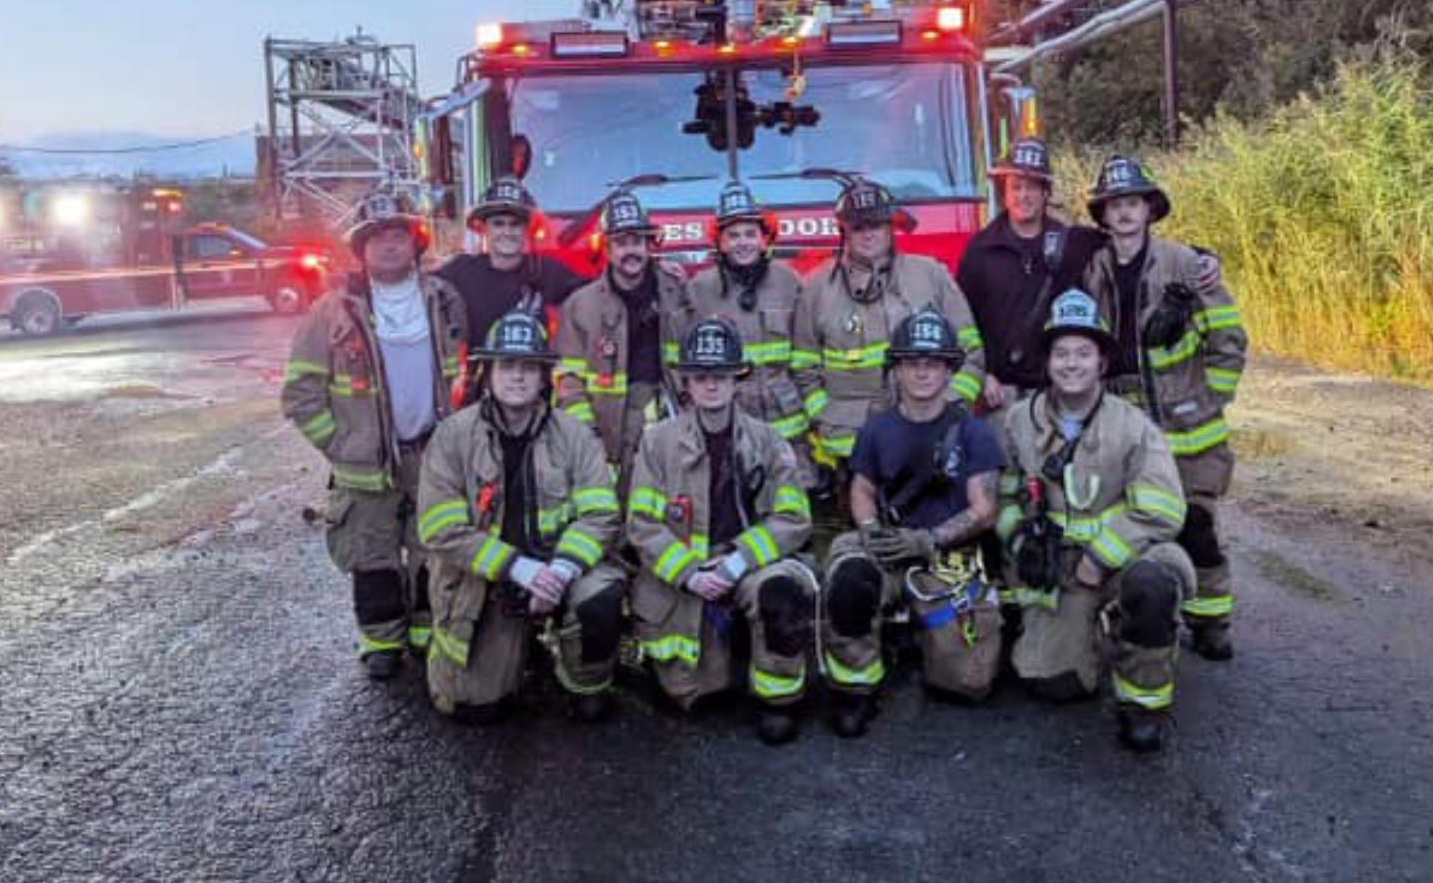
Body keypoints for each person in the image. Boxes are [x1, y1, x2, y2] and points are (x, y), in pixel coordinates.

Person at [281, 189, 468, 679]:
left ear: (415, 243)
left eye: (398, 235)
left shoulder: (443, 300)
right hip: (364, 465)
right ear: (360, 249)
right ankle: (382, 642)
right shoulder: (331, 312)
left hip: (431, 452)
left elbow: (461, 374)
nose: (388, 244)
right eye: (376, 237)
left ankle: (427, 635)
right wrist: (343, 445)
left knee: (433, 549)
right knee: (372, 556)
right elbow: (301, 394)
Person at [997, 289, 1193, 752]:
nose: (1071, 364)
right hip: (1058, 569)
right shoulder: (1017, 421)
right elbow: (1004, 495)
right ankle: (1075, 631)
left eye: (1083, 353)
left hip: (1124, 559)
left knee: (1152, 585)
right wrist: (1021, 541)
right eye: (1061, 353)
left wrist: (1101, 556)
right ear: (1048, 362)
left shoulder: (1133, 425)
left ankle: (1142, 703)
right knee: (1053, 682)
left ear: (1102, 362)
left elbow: (1163, 508)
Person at [414, 311, 628, 722]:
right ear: (488, 373)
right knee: (475, 707)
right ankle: (517, 648)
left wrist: (560, 570)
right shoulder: (452, 436)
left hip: (561, 569)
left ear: (544, 376)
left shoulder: (574, 434)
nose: (517, 376)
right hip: (490, 579)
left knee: (599, 598)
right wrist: (518, 569)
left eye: (529, 367)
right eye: (507, 365)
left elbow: (601, 514)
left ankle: (584, 680)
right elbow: (441, 530)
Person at [1083, 155, 1248, 660]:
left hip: (1189, 424)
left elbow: (1228, 336)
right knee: (1136, 521)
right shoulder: (1093, 270)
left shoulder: (1184, 264)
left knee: (1197, 524)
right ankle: (1142, 613)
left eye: (1133, 202)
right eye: (1115, 204)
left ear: (1150, 209)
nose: (1124, 212)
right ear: (1103, 214)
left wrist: (1210, 398)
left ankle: (1211, 621)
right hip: (1125, 417)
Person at [625, 317, 819, 744]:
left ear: (737, 379)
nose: (711, 385)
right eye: (701, 376)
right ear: (686, 383)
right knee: (695, 694)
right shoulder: (657, 442)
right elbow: (642, 524)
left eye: (721, 375)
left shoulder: (768, 440)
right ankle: (725, 659)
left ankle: (778, 701)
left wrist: (737, 562)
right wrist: (690, 573)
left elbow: (793, 516)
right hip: (687, 571)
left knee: (780, 594)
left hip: (747, 565)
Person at [820, 308, 1006, 737]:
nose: (922, 373)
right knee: (850, 582)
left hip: (946, 558)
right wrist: (871, 531)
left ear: (949, 370)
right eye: (912, 363)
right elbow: (862, 489)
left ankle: (924, 637)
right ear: (897, 369)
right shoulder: (876, 429)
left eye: (933, 363)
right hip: (889, 548)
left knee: (969, 682)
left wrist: (927, 540)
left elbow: (985, 509)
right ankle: (856, 688)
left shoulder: (973, 432)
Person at [958, 138, 1221, 420]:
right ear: (1004, 192)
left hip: (1057, 395)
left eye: (1032, 187)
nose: (1024, 196)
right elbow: (963, 323)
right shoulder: (980, 252)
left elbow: (1131, 241)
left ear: (1046, 192)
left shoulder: (1073, 242)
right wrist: (983, 374)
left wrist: (1201, 257)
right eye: (1016, 187)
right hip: (999, 396)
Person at [791, 178, 985, 501]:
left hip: (929, 442)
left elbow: (972, 352)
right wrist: (826, 416)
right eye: (858, 227)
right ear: (844, 231)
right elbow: (803, 369)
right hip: (848, 450)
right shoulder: (816, 289)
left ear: (891, 227)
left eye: (877, 225)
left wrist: (946, 409)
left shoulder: (931, 276)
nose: (868, 234)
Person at [554, 191, 694, 477]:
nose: (630, 251)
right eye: (621, 243)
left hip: (669, 422)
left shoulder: (675, 292)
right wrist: (588, 436)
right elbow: (569, 381)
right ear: (606, 249)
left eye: (637, 241)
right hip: (609, 431)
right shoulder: (581, 306)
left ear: (649, 245)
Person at [683, 180, 810, 447]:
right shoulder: (699, 290)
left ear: (764, 240)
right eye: (733, 235)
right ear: (720, 242)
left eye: (750, 234)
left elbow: (808, 357)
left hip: (788, 426)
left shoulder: (789, 282)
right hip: (729, 424)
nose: (743, 243)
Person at [434, 177, 587, 367]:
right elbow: (422, 290)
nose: (507, 231)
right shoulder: (461, 271)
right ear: (483, 228)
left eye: (515, 224)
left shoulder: (547, 271)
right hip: (480, 381)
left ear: (527, 229)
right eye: (498, 224)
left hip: (534, 380)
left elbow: (596, 295)